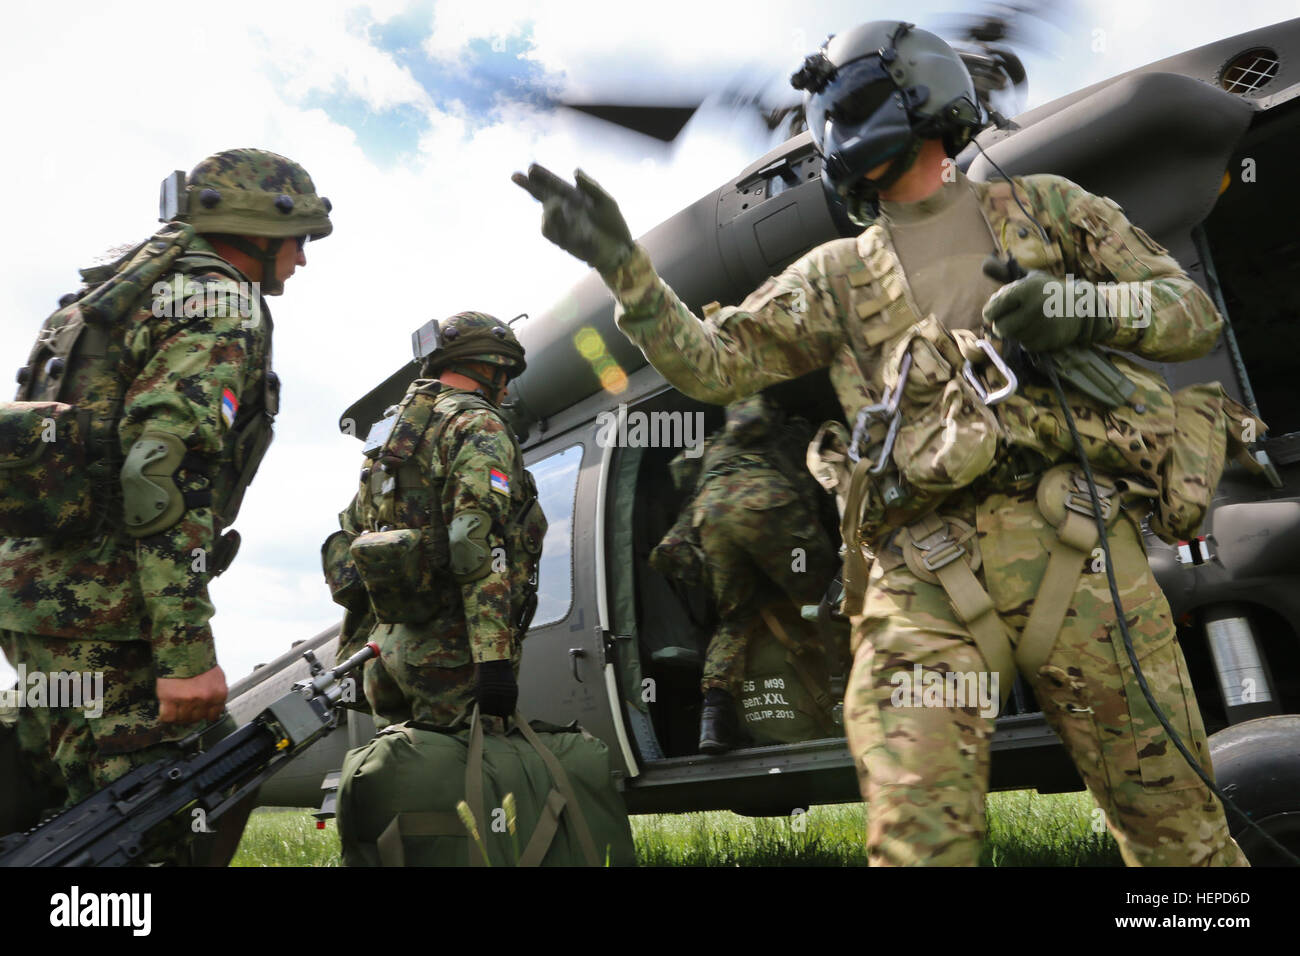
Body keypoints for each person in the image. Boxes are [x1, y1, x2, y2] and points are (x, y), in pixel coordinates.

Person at [515, 21, 1248, 866]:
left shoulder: (1047, 206)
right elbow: (715, 367)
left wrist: (1082, 308)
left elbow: (1188, 312)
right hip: (921, 579)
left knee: (1178, 835)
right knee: (916, 844)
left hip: (1077, 550)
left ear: (922, 94)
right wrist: (627, 271)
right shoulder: (836, 274)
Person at [0, 148, 331, 852]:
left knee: (54, 804)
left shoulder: (112, 296)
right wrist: (184, 653)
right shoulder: (219, 304)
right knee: (137, 831)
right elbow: (161, 477)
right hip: (108, 623)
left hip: (37, 609)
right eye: (299, 239)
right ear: (257, 230)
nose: (301, 260)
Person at [332, 312, 546, 731]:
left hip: (388, 654)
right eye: (503, 374)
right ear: (486, 366)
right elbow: (477, 545)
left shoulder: (392, 435)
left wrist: (352, 651)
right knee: (467, 783)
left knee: (411, 780)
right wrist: (493, 660)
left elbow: (353, 545)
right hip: (451, 658)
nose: (505, 389)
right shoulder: (476, 424)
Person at [651, 394, 838, 753]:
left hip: (711, 516)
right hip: (769, 503)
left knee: (736, 616)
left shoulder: (712, 443)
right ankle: (850, 698)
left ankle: (714, 722)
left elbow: (678, 473)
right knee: (830, 595)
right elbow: (825, 486)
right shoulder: (794, 431)